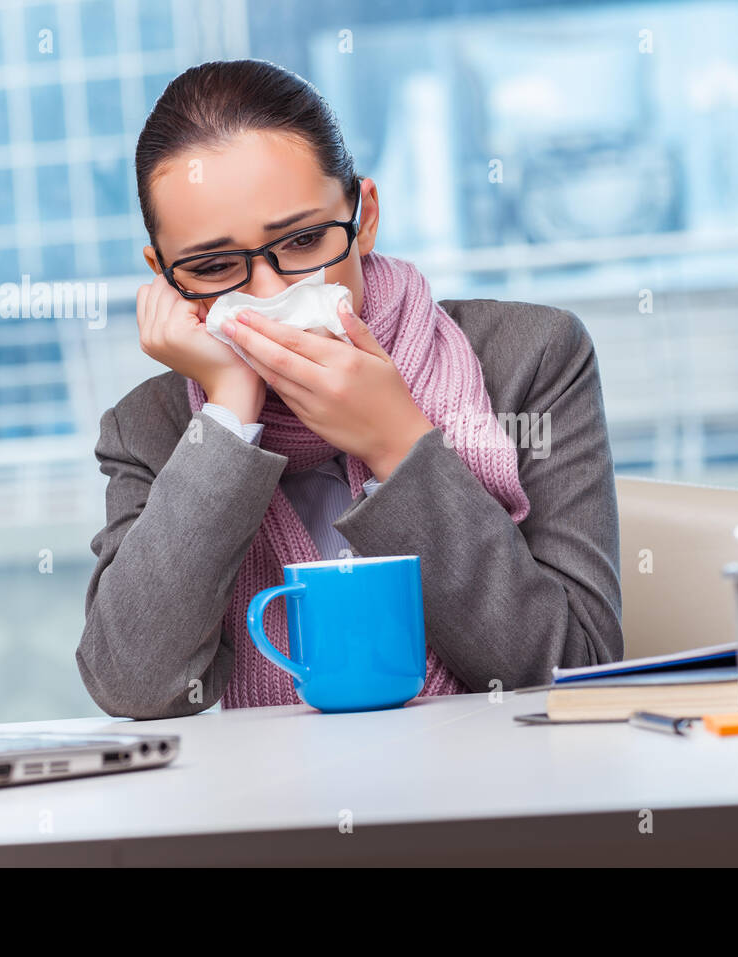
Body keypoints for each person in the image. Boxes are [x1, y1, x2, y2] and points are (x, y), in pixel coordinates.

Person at [76, 59, 622, 718]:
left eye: (304, 240)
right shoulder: (153, 429)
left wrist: (398, 443)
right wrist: (227, 414)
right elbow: (134, 683)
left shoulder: (530, 357)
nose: (270, 294)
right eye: (215, 266)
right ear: (164, 276)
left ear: (363, 219)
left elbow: (576, 669)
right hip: (276, 807)